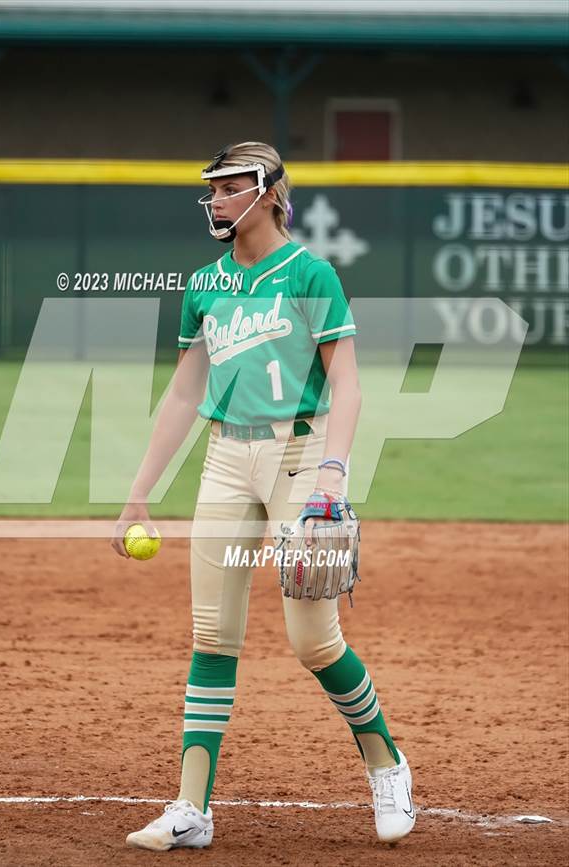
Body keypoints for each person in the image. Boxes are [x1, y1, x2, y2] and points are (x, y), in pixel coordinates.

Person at [112, 142, 415, 852]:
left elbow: (348, 383)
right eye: (210, 189)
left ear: (269, 192)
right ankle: (192, 806)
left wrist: (333, 474)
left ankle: (387, 764)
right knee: (211, 635)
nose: (214, 199)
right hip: (225, 456)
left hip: (300, 455)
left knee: (313, 638)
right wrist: (138, 493)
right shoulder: (205, 283)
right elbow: (186, 391)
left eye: (227, 186)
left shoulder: (310, 274)